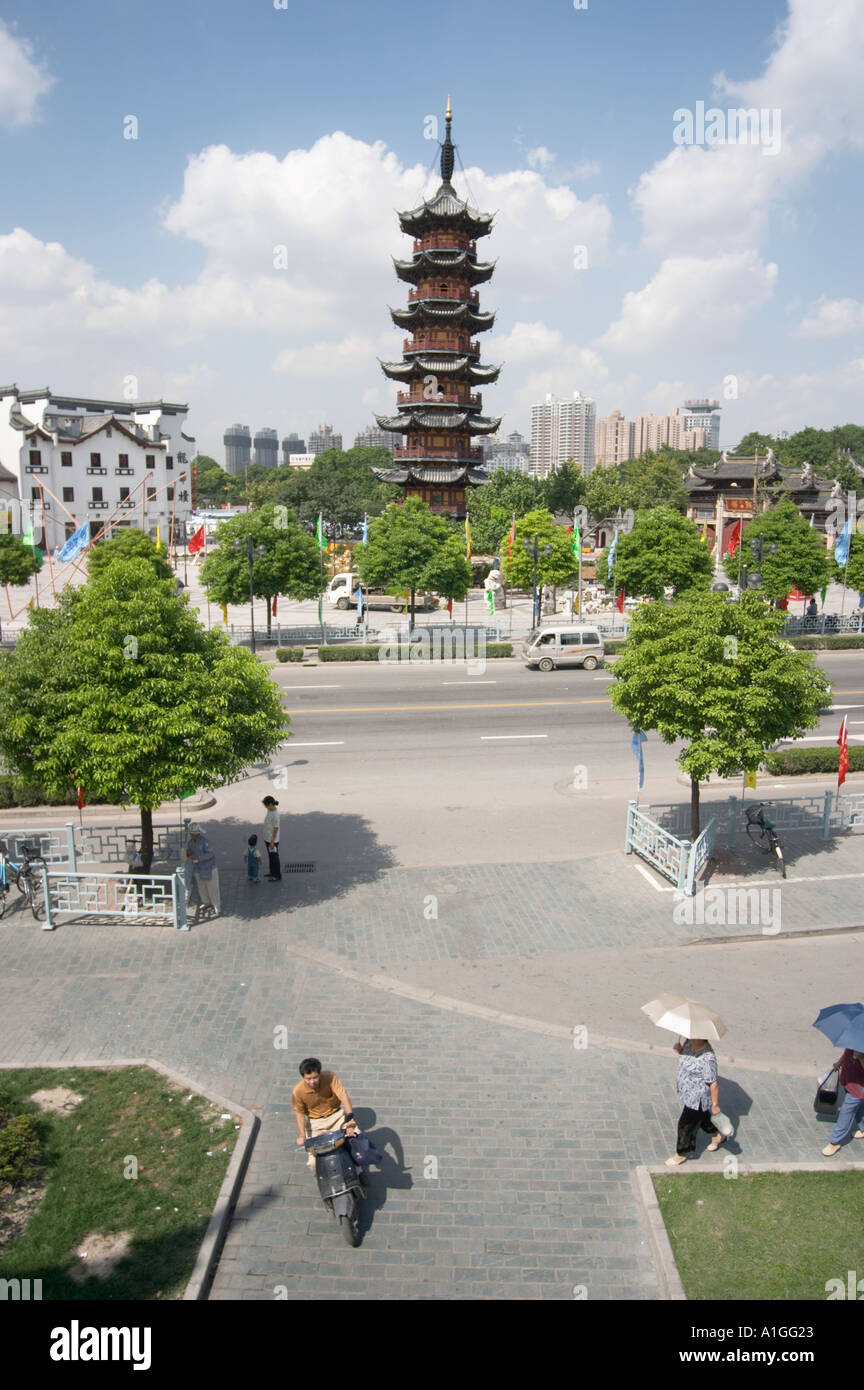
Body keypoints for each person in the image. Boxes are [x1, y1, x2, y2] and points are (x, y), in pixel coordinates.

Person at [665, 1037, 724, 1165]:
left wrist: (715, 1104)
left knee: (684, 1125)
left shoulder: (708, 1059)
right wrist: (680, 1050)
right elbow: (687, 1058)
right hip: (687, 1092)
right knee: (702, 1118)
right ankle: (716, 1137)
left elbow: (713, 1084)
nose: (690, 1036)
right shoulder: (688, 1042)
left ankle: (680, 1154)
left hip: (697, 1098)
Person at [292, 1058, 359, 1171]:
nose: (312, 1081)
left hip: (336, 1116)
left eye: (315, 1077)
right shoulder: (297, 1092)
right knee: (313, 1163)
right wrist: (302, 1136)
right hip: (315, 1123)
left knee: (357, 1140)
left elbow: (343, 1096)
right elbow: (299, 1114)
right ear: (303, 1077)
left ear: (320, 1073)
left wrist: (349, 1120)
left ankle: (359, 1170)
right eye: (308, 1079)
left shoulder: (330, 1077)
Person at [821, 1049, 864, 1156]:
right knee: (859, 1109)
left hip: (859, 1088)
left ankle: (834, 1142)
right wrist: (839, 1063)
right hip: (848, 1080)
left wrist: (861, 1058)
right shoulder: (856, 1039)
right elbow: (847, 1052)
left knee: (846, 1112)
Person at [184, 823, 220, 916]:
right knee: (201, 887)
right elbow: (190, 854)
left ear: (197, 834)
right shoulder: (190, 843)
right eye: (190, 833)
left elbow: (211, 854)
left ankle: (216, 905)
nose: (191, 835)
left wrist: (199, 857)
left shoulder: (206, 842)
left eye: (192, 833)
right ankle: (206, 902)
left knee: (213, 888)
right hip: (198, 869)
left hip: (209, 868)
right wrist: (189, 853)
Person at [262, 796, 281, 881]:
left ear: (270, 804)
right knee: (271, 856)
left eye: (266, 806)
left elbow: (276, 828)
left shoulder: (276, 815)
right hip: (267, 838)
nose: (266, 807)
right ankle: (272, 872)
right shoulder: (270, 810)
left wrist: (272, 842)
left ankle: (277, 875)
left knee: (274, 858)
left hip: (272, 840)